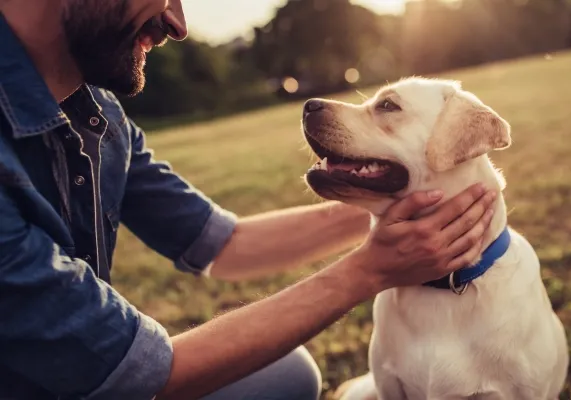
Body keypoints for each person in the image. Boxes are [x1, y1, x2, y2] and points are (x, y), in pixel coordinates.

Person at [0, 1, 497, 399]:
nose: (177, 23)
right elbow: (134, 375)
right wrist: (370, 270)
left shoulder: (99, 117)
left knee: (284, 376)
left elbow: (225, 243)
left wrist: (403, 201)